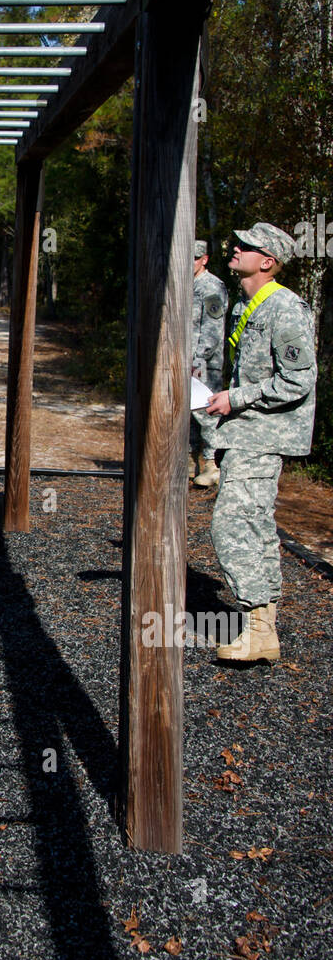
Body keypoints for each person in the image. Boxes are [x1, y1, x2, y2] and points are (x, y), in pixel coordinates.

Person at [205, 223, 317, 662]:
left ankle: (257, 626)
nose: (234, 249)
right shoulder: (244, 306)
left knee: (232, 525)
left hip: (267, 435)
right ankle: (261, 631)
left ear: (267, 261)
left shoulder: (286, 309)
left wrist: (238, 399)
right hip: (245, 433)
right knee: (254, 527)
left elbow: (298, 381)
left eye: (246, 246)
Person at [190, 239, 228, 487]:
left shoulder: (212, 286)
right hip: (181, 362)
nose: (189, 263)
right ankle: (190, 462)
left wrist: (198, 359)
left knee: (206, 413)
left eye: (194, 258)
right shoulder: (183, 283)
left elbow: (213, 330)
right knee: (185, 415)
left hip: (203, 364)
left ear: (204, 259)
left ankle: (212, 465)